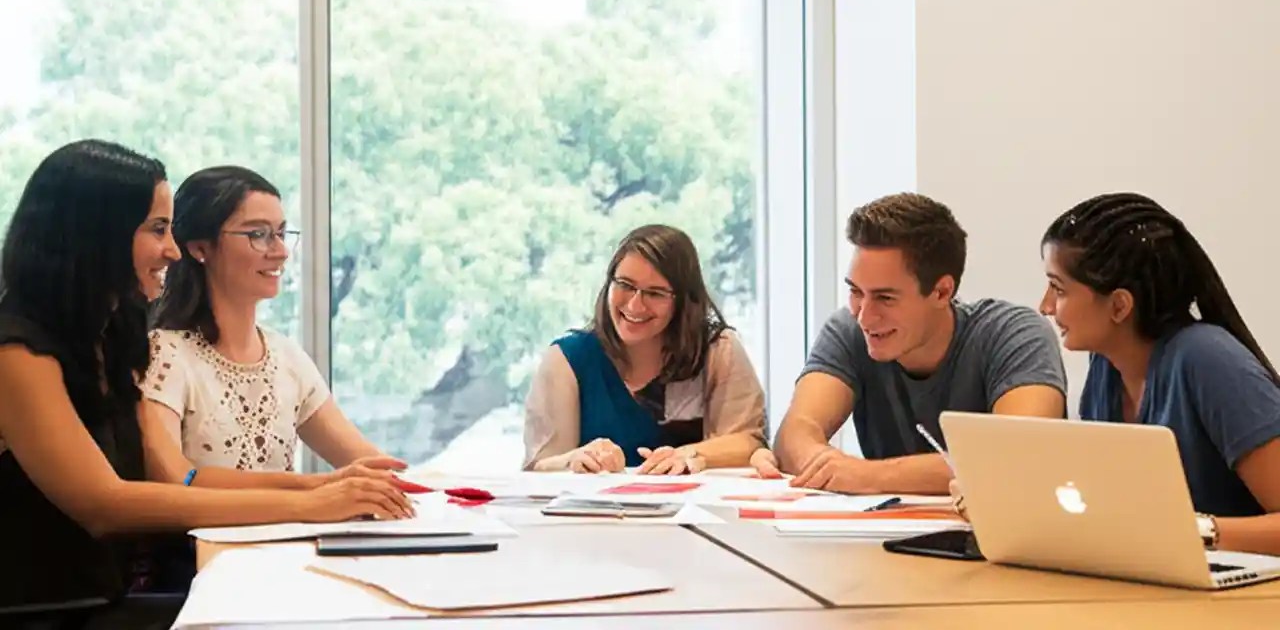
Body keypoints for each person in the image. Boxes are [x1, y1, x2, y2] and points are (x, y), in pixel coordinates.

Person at [0, 141, 410, 626]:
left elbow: (182, 477)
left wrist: (321, 486)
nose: (171, 249)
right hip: (46, 614)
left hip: (104, 603)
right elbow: (105, 503)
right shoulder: (18, 351)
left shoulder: (111, 339)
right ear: (97, 235)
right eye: (157, 229)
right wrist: (309, 502)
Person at [758, 192, 1067, 494]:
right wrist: (823, 466)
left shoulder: (1014, 334)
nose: (864, 316)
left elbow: (1021, 454)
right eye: (855, 292)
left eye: (885, 298)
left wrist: (867, 475)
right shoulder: (848, 330)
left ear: (942, 292)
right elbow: (795, 431)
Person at [1038, 192, 1280, 555]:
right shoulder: (1105, 364)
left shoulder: (1206, 359)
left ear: (1119, 305)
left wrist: (1193, 531)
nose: (1045, 306)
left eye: (1058, 288)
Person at [143, 166, 401, 484]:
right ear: (199, 248)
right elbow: (176, 480)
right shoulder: (163, 353)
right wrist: (315, 490)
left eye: (281, 233)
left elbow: (368, 463)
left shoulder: (286, 357)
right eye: (258, 235)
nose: (280, 252)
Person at [523, 224, 766, 475]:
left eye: (655, 293)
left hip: (696, 512)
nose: (635, 305)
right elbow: (539, 467)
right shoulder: (567, 359)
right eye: (625, 285)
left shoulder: (717, 349)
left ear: (684, 301)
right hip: (596, 513)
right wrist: (573, 460)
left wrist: (689, 454)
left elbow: (748, 442)